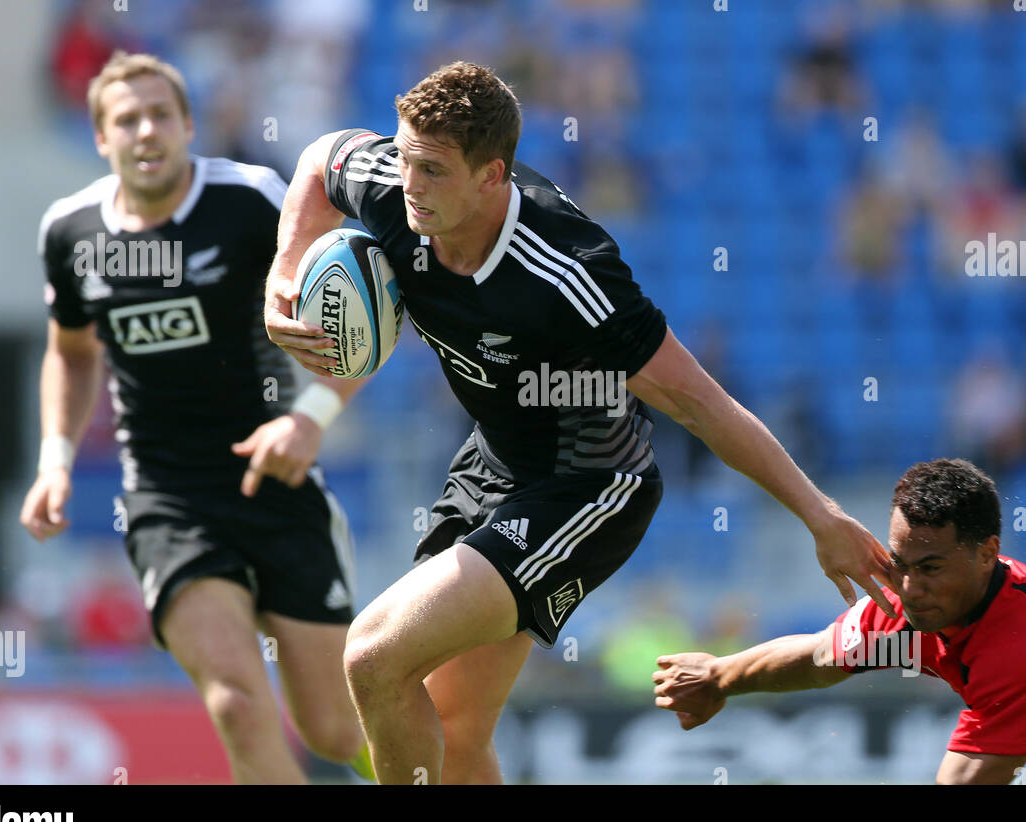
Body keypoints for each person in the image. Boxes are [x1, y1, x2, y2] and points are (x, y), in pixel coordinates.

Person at [264, 61, 896, 785]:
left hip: (590, 484)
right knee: (454, 731)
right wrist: (283, 277)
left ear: (491, 174)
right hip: (494, 464)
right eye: (406, 159)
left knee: (373, 655)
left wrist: (821, 515)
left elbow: (701, 403)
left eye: (433, 170)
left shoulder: (571, 271)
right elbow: (318, 161)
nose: (409, 183)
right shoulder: (394, 190)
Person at [22, 51, 370, 784]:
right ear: (100, 138)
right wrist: (54, 457)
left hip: (274, 478)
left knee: (337, 731)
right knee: (239, 704)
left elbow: (360, 310)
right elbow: (73, 352)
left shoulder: (251, 202)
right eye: (126, 119)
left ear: (186, 125)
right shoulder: (70, 232)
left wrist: (308, 418)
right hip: (167, 496)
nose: (145, 131)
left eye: (159, 115)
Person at [653, 458, 1026, 785]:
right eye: (900, 565)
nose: (907, 587)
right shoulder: (915, 604)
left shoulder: (1020, 639)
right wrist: (721, 674)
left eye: (928, 568)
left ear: (986, 551)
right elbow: (823, 658)